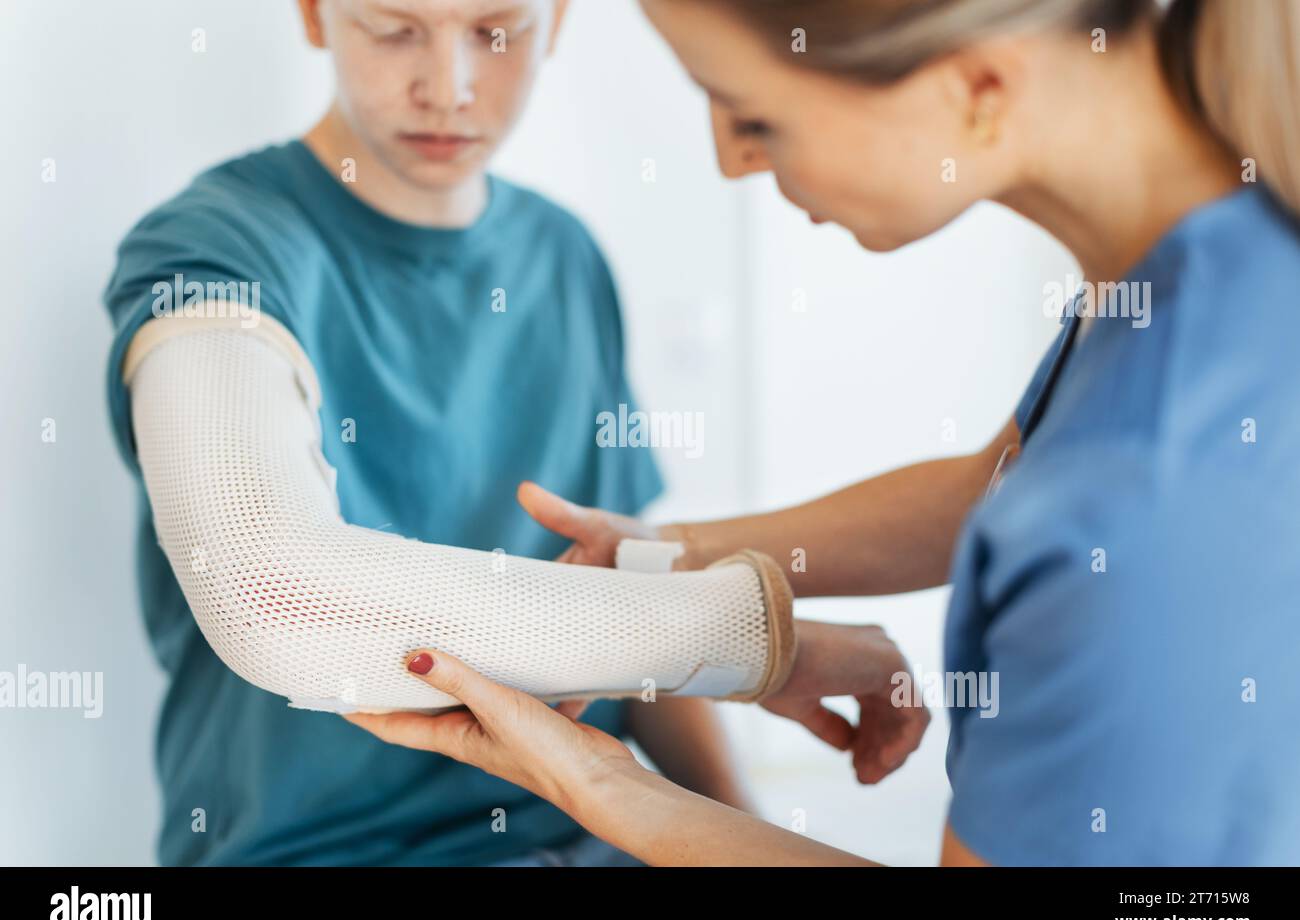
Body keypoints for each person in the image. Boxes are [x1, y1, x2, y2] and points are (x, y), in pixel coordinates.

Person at [347, 0, 1300, 864]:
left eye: (754, 116)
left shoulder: (1150, 489)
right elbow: (992, 484)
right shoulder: (1201, 267)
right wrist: (667, 556)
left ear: (979, 87)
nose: (730, 160)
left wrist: (603, 784)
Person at [102, 0, 758, 866]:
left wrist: (747, 827)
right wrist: (756, 640)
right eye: (394, 28)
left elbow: (630, 577)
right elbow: (265, 578)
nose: (448, 89)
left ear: (557, 21)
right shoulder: (213, 247)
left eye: (496, 32)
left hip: (591, 837)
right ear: (314, 13)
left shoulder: (564, 255)